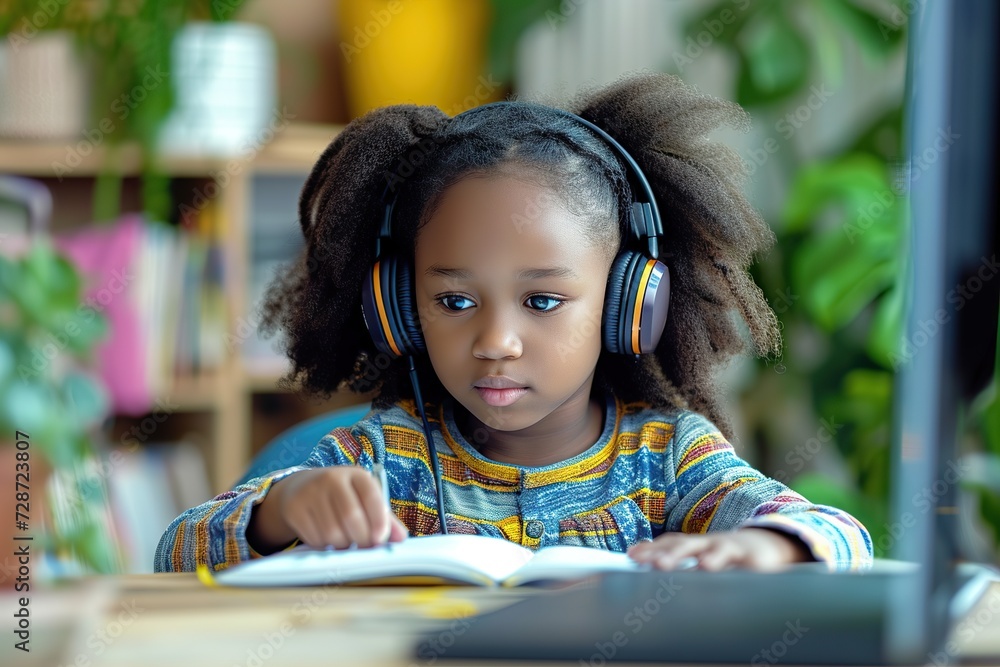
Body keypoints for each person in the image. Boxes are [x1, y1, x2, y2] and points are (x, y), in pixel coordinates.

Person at [155, 73, 873, 574]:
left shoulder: (670, 457)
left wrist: (772, 545)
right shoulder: (386, 456)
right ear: (401, 309)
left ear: (630, 304)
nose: (495, 342)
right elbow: (177, 549)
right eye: (456, 302)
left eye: (542, 301)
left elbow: (842, 533)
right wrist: (282, 508)